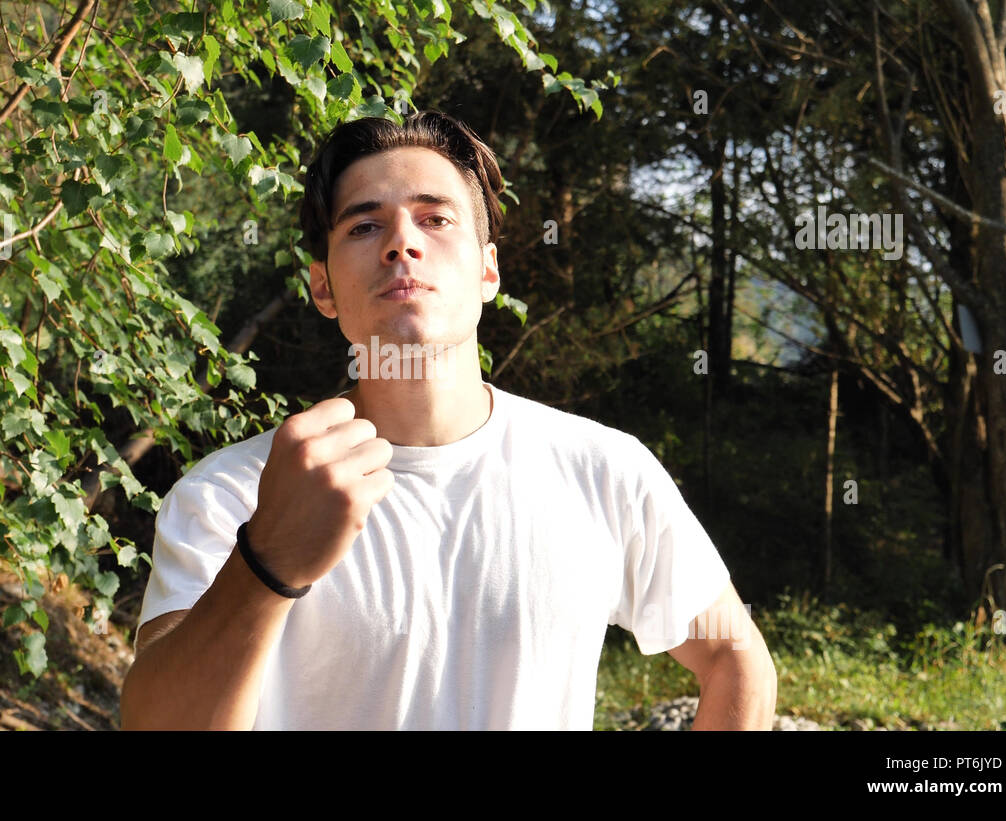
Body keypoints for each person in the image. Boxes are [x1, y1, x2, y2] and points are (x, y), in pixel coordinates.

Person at [119, 110, 777, 730]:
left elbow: (735, 660)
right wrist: (265, 563)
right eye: (364, 226)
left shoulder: (605, 469)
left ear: (489, 269)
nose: (403, 242)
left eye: (436, 220)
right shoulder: (228, 494)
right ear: (322, 286)